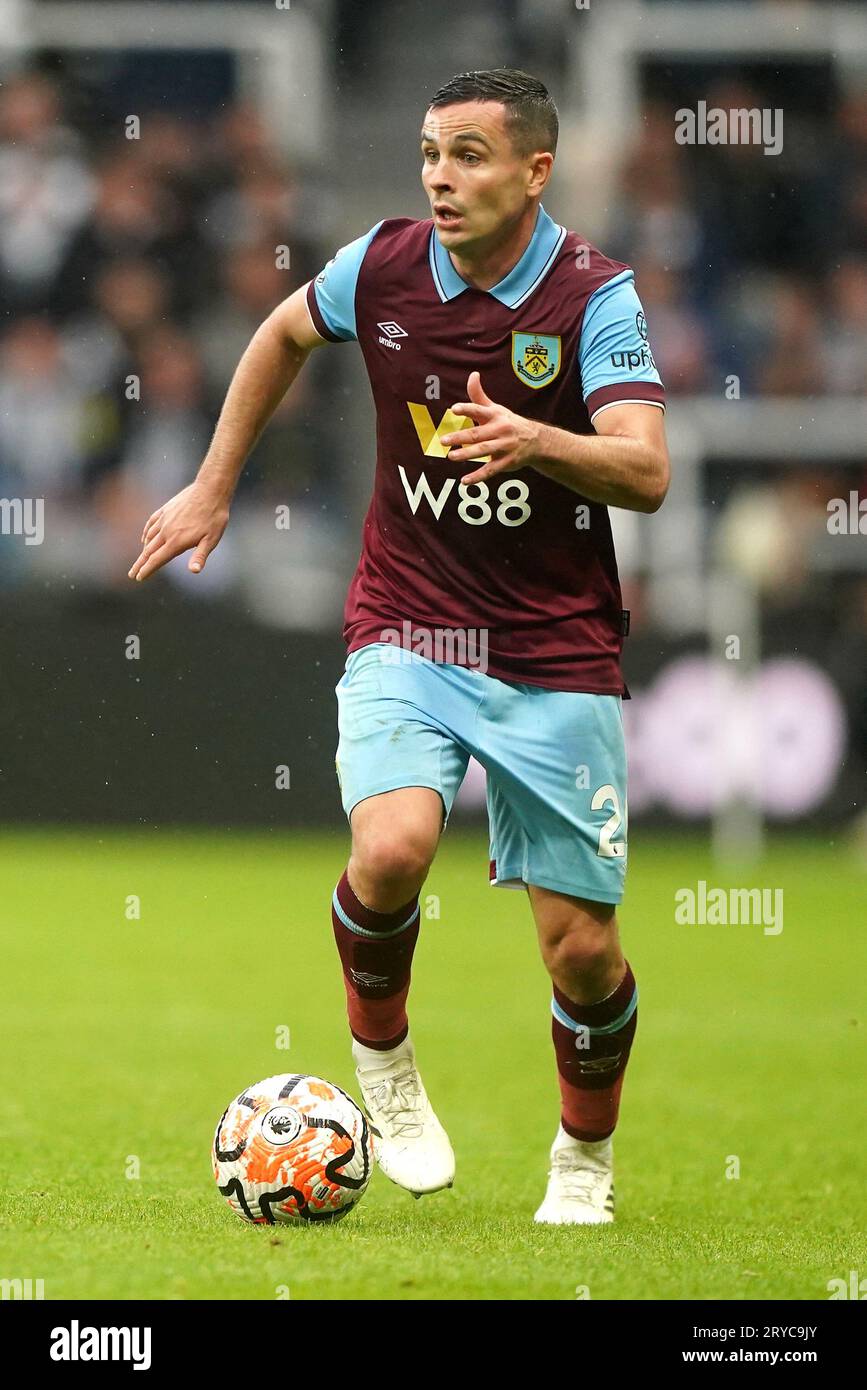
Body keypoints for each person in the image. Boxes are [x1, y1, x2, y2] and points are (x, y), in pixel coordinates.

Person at [128, 69, 669, 1225]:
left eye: (470, 154)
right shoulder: (377, 264)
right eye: (430, 150)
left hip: (556, 650)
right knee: (391, 849)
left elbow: (648, 470)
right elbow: (281, 331)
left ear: (536, 170)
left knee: (581, 953)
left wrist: (542, 439)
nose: (439, 175)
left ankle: (583, 1165)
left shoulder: (595, 297)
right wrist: (215, 486)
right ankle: (386, 1067)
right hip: (408, 621)